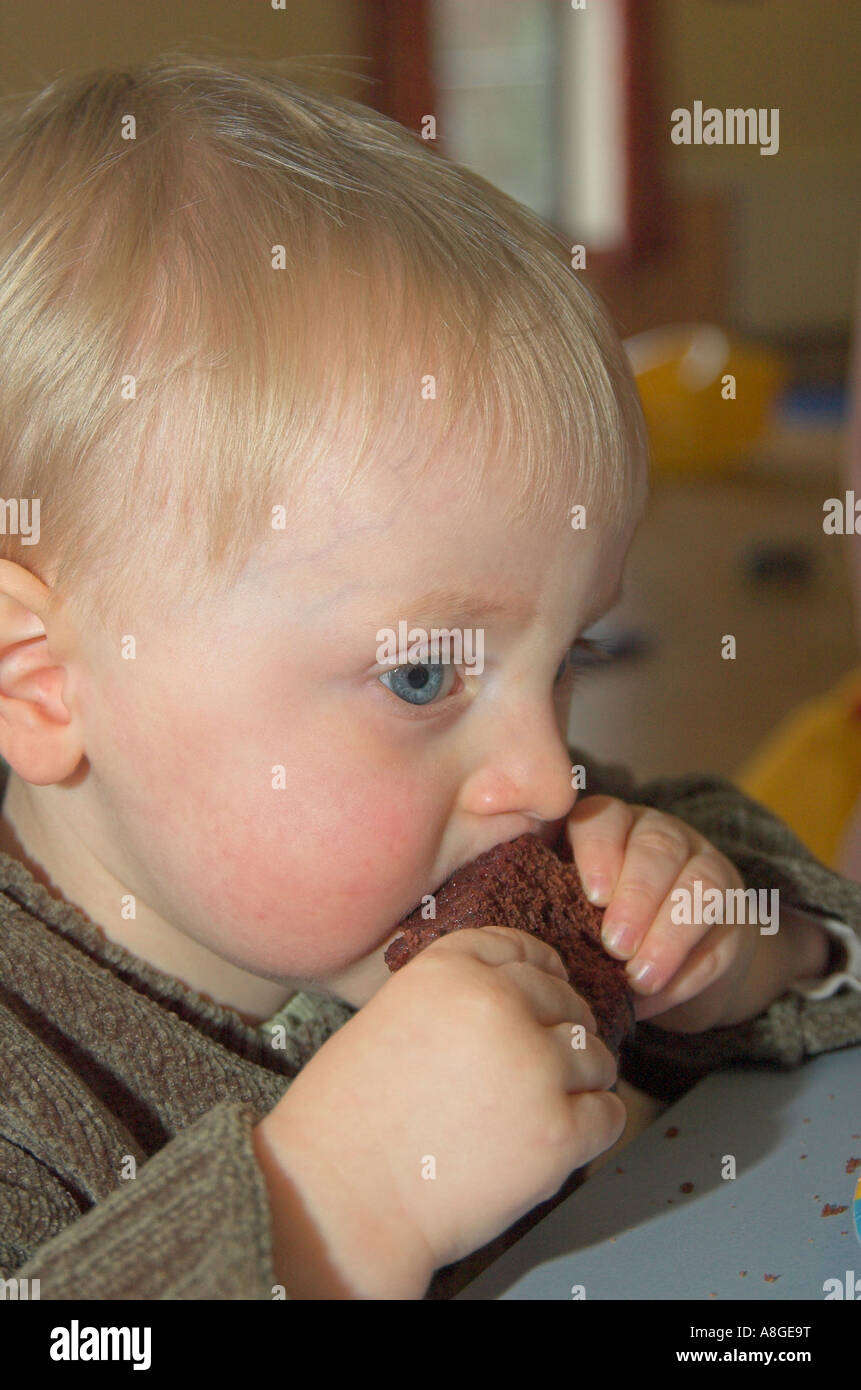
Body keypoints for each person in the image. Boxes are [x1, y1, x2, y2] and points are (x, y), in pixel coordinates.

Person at [0, 54, 858, 1301]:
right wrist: (331, 1212)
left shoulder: (481, 835)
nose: (545, 776)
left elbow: (824, 961)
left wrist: (737, 952)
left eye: (569, 657)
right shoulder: (29, 1092)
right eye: (418, 678)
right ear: (42, 683)